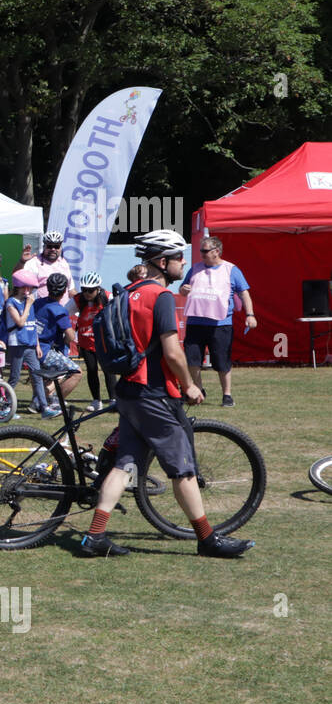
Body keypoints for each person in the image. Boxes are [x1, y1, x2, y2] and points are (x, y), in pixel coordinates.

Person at [76, 229, 255, 559]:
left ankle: (94, 537)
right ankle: (207, 539)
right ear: (162, 261)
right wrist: (188, 384)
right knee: (182, 468)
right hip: (154, 394)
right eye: (178, 258)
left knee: (124, 464)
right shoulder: (159, 297)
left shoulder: (128, 292)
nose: (184, 263)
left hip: (128, 390)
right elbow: (172, 352)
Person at [180, 236, 256, 407]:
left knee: (222, 362)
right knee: (192, 360)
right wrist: (183, 290)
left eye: (205, 251)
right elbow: (184, 290)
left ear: (216, 252)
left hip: (220, 324)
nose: (202, 254)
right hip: (195, 321)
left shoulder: (231, 270)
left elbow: (244, 293)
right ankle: (199, 390)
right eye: (201, 250)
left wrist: (250, 314)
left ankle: (227, 395)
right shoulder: (195, 269)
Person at [5, 270, 53, 417]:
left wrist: (37, 345)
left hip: (30, 344)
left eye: (30, 288)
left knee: (37, 376)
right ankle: (5, 406)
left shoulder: (29, 302)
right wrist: (28, 305)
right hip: (17, 344)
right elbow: (20, 322)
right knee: (15, 377)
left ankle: (45, 408)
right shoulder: (11, 303)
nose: (28, 291)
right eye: (24, 287)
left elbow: (32, 326)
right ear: (17, 287)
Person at [34, 272, 82, 406]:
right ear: (64, 291)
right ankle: (54, 401)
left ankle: (39, 401)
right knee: (76, 372)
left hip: (32, 349)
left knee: (55, 375)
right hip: (44, 351)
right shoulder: (59, 310)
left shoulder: (37, 303)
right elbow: (71, 336)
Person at [75, 272, 116, 410]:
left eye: (90, 290)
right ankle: (96, 401)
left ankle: (113, 399)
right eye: (84, 289)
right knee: (91, 370)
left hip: (104, 341)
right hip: (86, 342)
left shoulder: (108, 297)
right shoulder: (79, 300)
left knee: (108, 370)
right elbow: (63, 313)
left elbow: (120, 313)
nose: (86, 293)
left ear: (98, 288)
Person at [23, 231, 75, 302]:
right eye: (49, 246)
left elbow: (71, 289)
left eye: (56, 246)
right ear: (44, 246)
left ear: (61, 248)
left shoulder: (64, 262)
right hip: (41, 310)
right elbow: (20, 285)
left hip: (62, 310)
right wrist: (21, 262)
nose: (53, 249)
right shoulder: (33, 263)